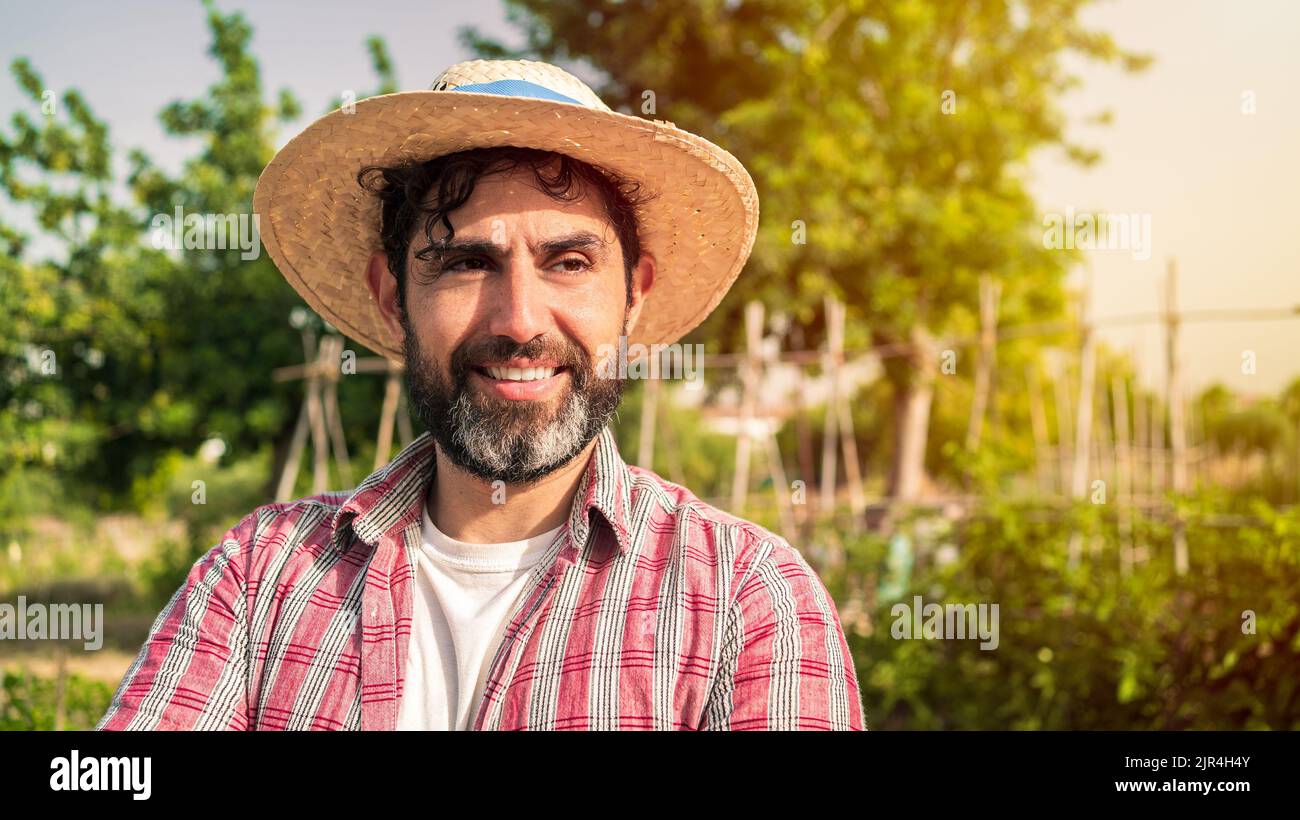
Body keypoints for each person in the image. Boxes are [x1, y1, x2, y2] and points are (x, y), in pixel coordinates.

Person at [98, 59, 865, 731]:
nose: (520, 322)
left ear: (633, 296)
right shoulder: (261, 579)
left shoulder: (748, 602)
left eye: (568, 262)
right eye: (466, 263)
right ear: (393, 298)